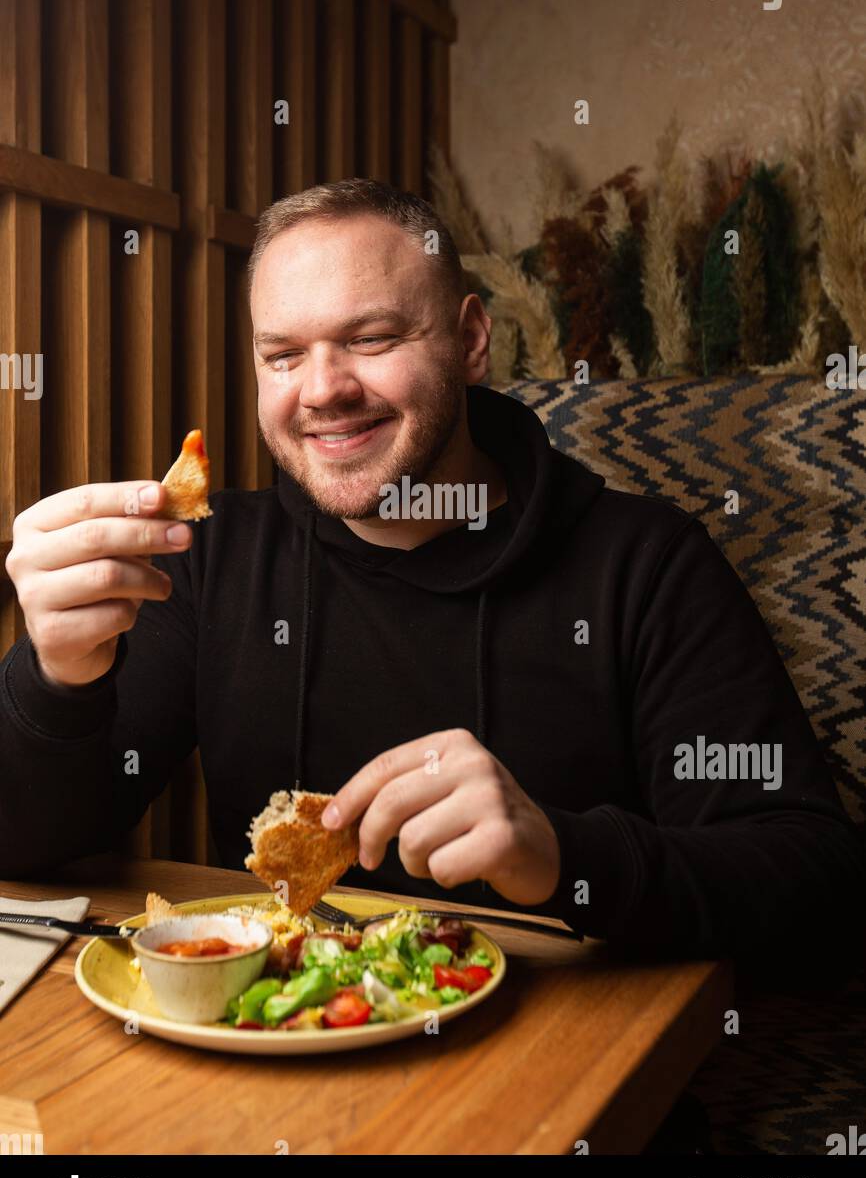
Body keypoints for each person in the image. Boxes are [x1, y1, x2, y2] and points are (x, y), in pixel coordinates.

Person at [2, 178, 862, 969]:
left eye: (371, 338)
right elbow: (22, 848)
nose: (323, 390)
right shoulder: (212, 562)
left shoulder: (645, 564)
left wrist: (564, 856)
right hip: (274, 1065)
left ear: (472, 339)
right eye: (282, 355)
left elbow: (817, 883)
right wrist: (56, 682)